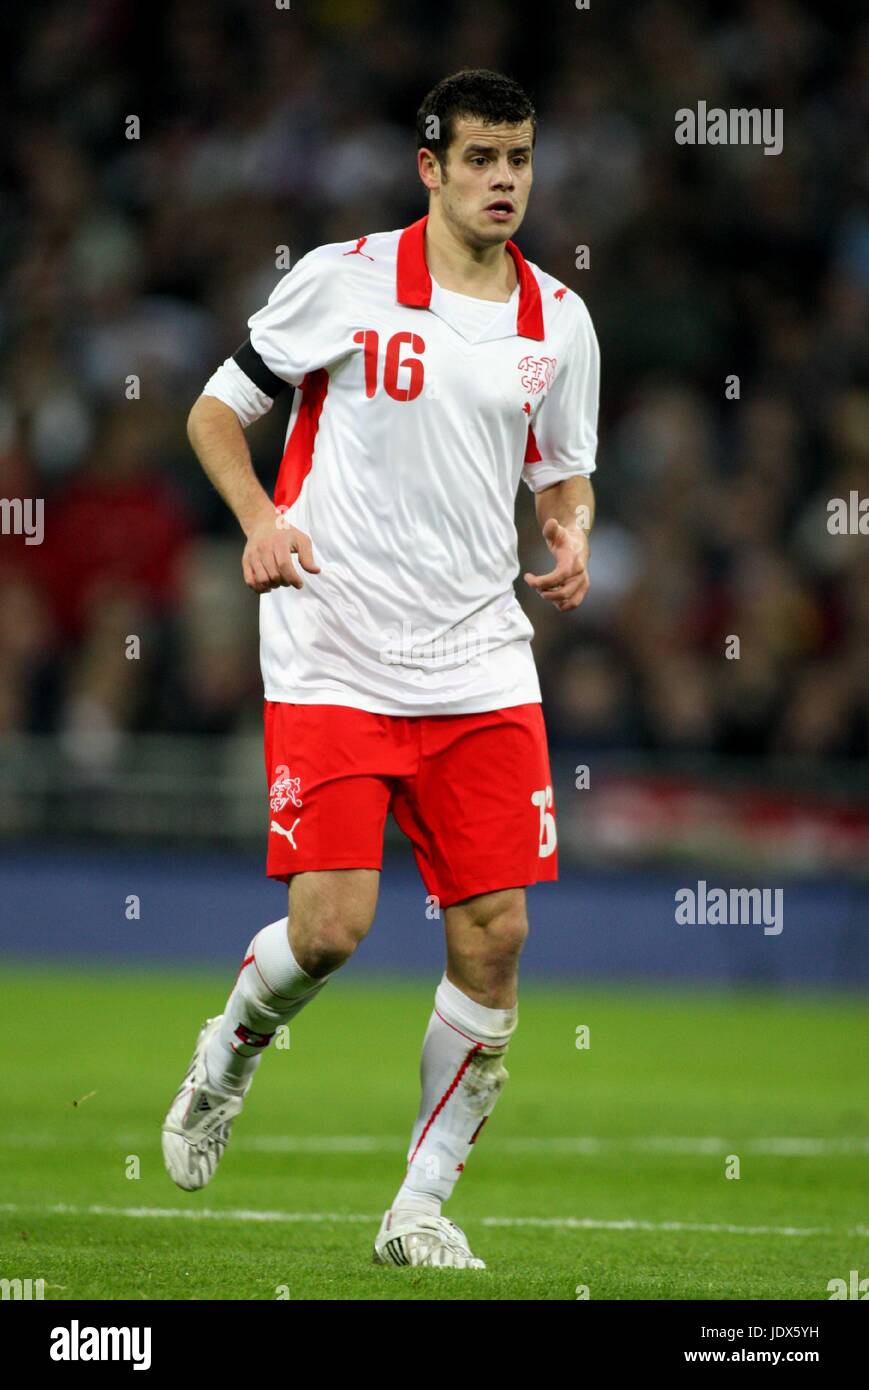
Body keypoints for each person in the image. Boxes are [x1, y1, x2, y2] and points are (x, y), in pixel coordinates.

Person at [162, 67, 600, 1271]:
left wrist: (569, 529)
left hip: (478, 658)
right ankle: (229, 1051)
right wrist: (259, 518)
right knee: (335, 925)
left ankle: (418, 1208)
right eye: (479, 160)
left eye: (516, 159)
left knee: (496, 932)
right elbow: (211, 411)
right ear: (430, 167)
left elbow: (560, 469)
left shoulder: (558, 320)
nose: (502, 180)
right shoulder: (341, 279)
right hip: (334, 643)